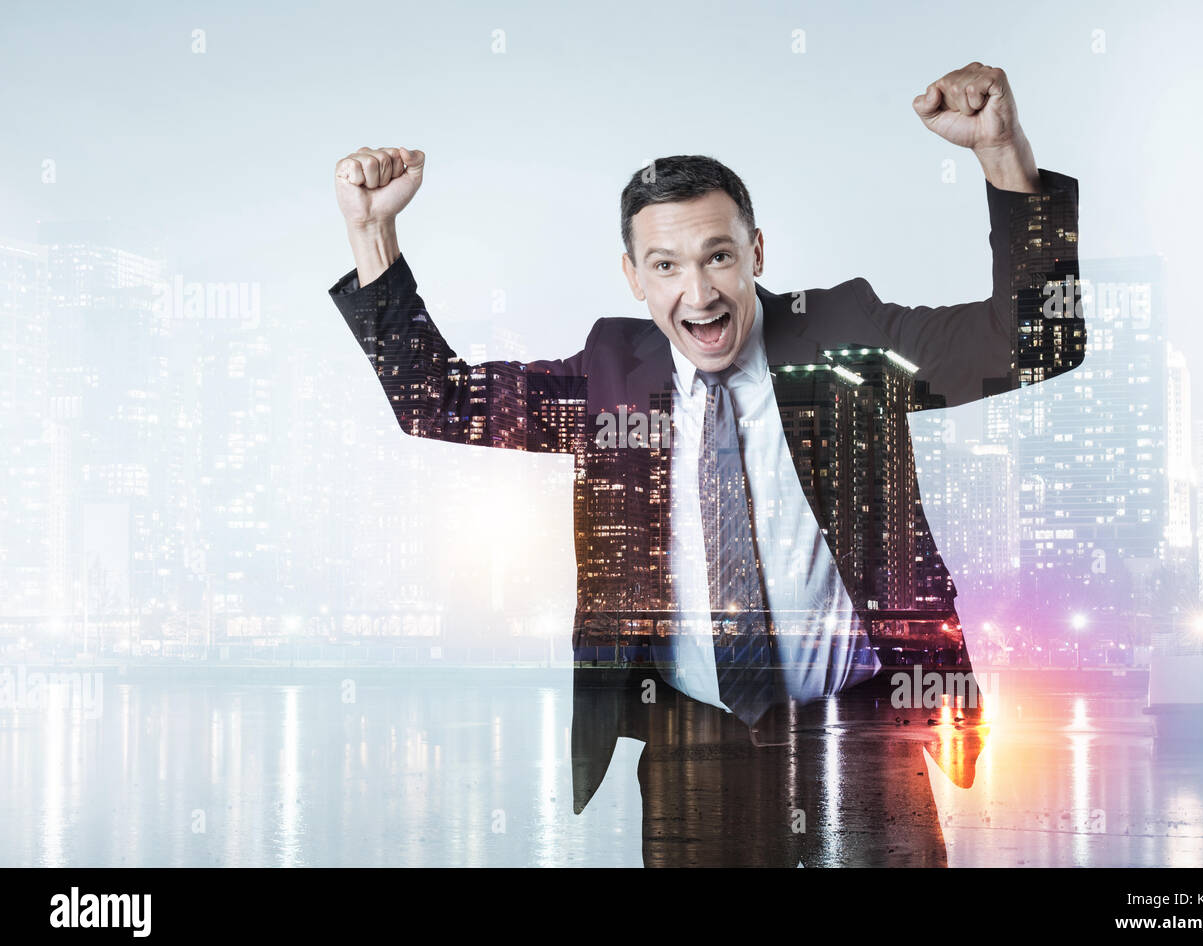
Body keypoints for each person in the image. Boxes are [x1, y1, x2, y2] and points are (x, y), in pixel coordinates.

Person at [328, 62, 1085, 866]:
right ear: (633, 276)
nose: (699, 293)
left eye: (719, 256)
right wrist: (372, 233)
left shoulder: (844, 339)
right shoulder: (611, 373)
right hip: (691, 738)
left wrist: (1004, 154)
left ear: (756, 251)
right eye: (665, 266)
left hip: (860, 731)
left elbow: (1035, 342)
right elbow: (436, 402)